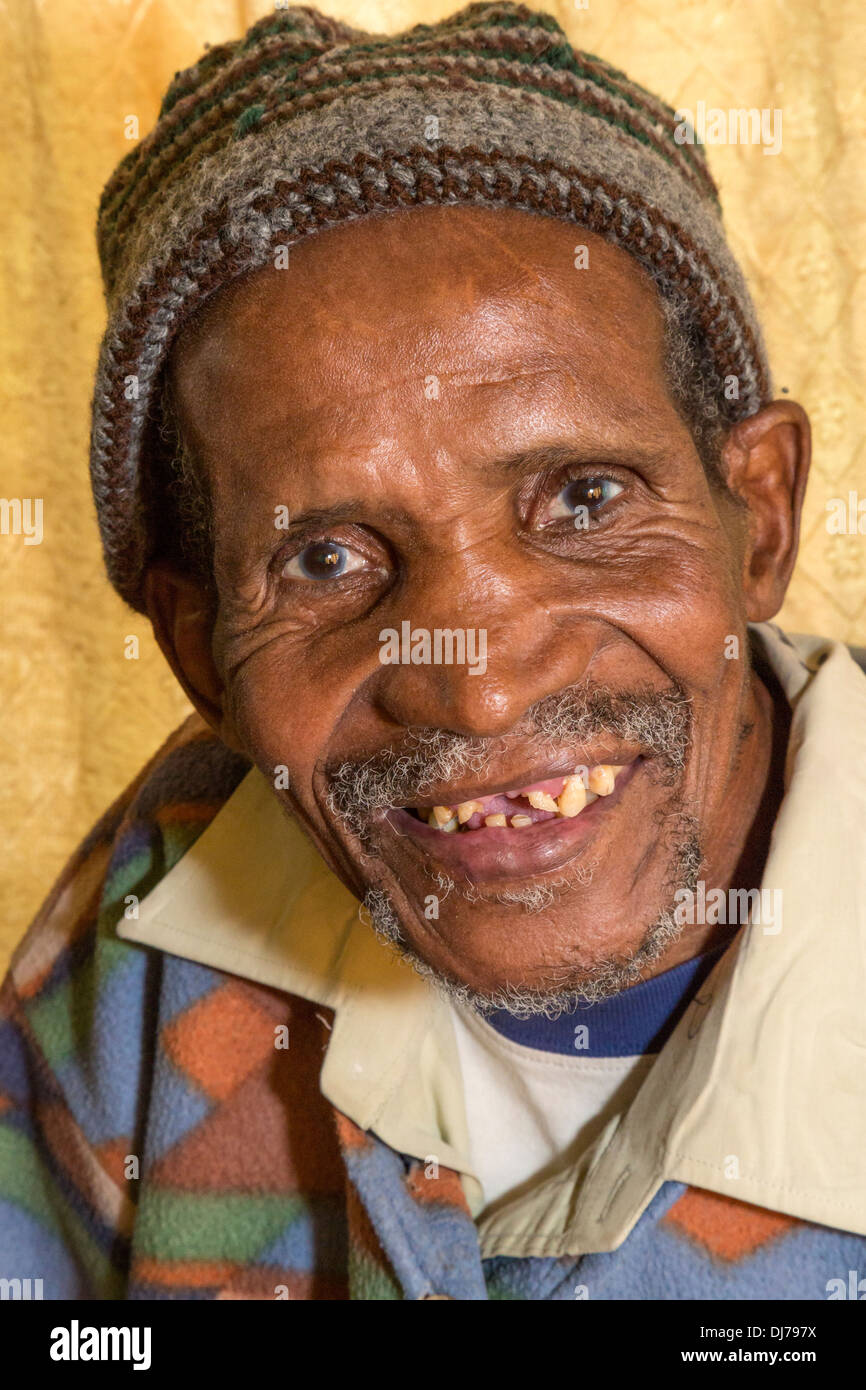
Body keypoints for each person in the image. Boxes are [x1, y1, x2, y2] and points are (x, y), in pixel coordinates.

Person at [2, 2, 864, 1301]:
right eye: (326, 559)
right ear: (201, 657)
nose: (482, 679)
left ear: (759, 515)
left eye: (582, 498)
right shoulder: (174, 882)